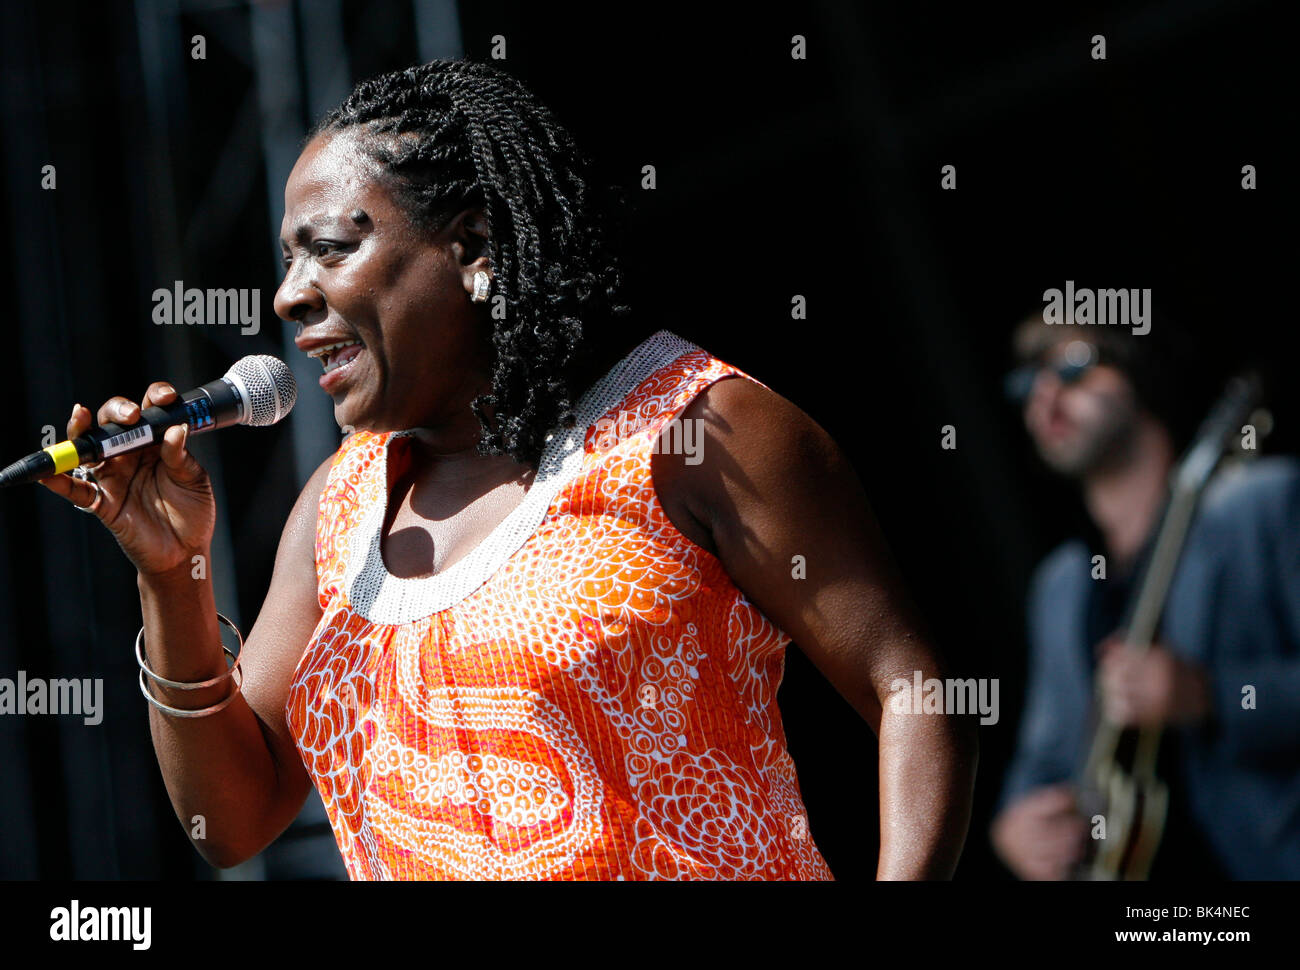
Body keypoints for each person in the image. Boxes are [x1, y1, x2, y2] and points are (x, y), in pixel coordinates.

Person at [41, 59, 975, 880]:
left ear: (473, 246)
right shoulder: (337, 507)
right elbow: (233, 820)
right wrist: (171, 575)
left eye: (329, 250)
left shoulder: (691, 431)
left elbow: (914, 690)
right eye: (288, 261)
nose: (290, 296)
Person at [991, 315, 1300, 880]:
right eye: (1027, 382)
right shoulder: (1059, 587)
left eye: (1074, 367)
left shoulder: (1262, 505)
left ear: (1140, 374)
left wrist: (1212, 696)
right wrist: (1015, 825)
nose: (1045, 394)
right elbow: (1044, 762)